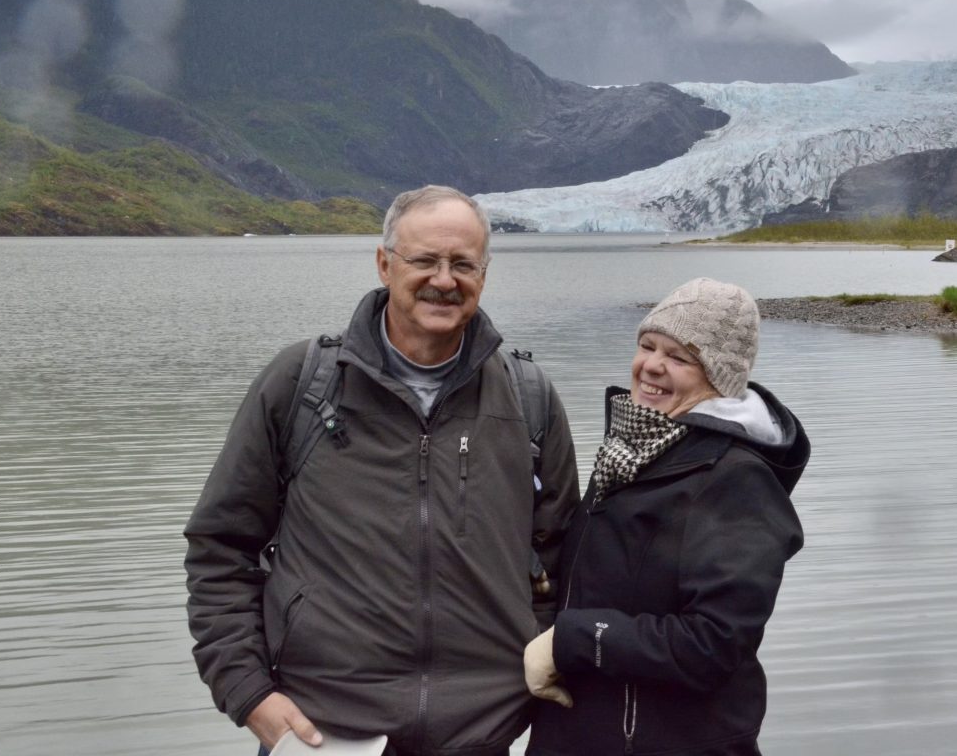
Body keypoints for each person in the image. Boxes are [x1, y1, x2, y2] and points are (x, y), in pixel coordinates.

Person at [185, 185, 580, 755]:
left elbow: (562, 555)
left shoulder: (527, 397)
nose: (444, 280)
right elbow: (220, 549)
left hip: (484, 732)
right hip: (322, 734)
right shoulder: (301, 384)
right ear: (384, 263)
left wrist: (527, 680)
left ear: (484, 274)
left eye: (463, 264)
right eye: (424, 260)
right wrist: (249, 695)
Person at [522, 277, 809, 756]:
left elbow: (713, 644)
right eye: (647, 345)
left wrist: (571, 642)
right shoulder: (635, 450)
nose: (651, 365)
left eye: (678, 357)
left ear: (719, 378)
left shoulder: (737, 480)